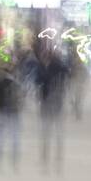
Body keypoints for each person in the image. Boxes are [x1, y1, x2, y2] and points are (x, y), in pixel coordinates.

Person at [34, 39, 70, 173]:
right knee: (52, 131)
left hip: (51, 102)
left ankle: (49, 155)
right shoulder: (54, 66)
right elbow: (67, 74)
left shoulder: (49, 67)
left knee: (49, 130)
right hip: (52, 101)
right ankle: (52, 155)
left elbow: (39, 81)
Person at [0, 55, 23, 171]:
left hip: (1, 112)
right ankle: (14, 162)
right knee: (15, 138)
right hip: (14, 113)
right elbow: (21, 99)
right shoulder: (16, 84)